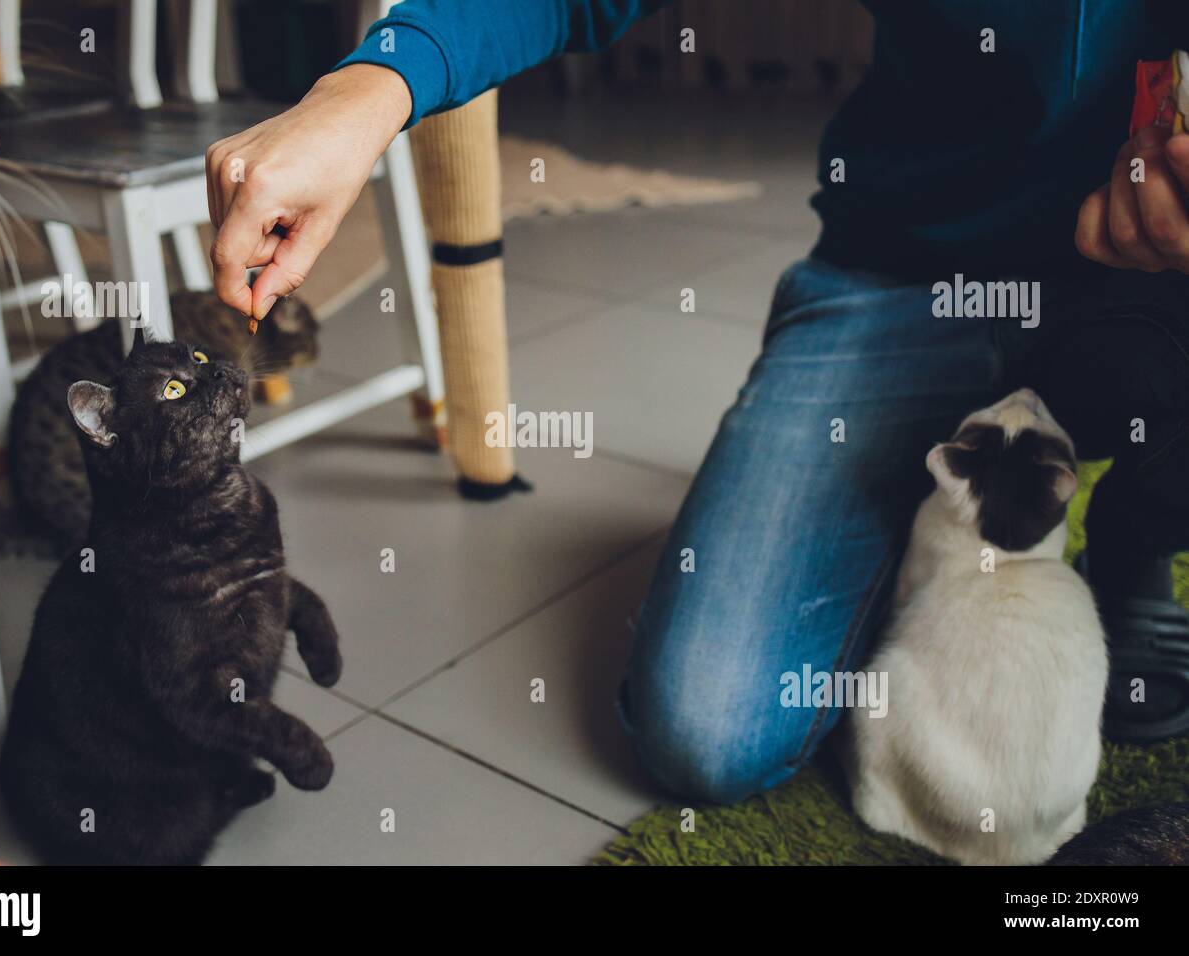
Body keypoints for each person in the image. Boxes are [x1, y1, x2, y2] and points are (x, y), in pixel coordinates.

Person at [204, 2, 1189, 804]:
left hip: (1138, 295)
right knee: (706, 722)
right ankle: (908, 517)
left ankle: (1140, 533)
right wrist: (366, 91)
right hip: (904, 270)